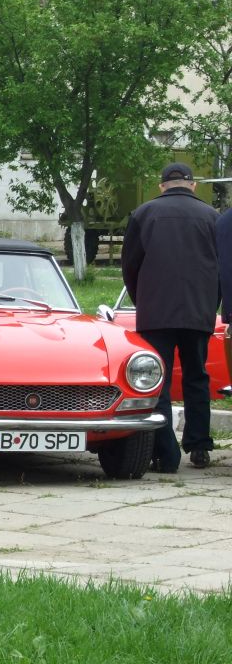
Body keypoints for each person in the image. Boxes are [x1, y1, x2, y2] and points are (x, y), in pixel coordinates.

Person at [122, 162, 218, 472]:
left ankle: (166, 453)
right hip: (198, 311)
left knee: (156, 381)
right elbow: (221, 268)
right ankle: (200, 446)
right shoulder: (212, 217)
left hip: (156, 312)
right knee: (197, 376)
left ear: (162, 185)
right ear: (192, 184)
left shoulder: (143, 214)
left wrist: (143, 301)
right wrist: (211, 304)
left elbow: (130, 266)